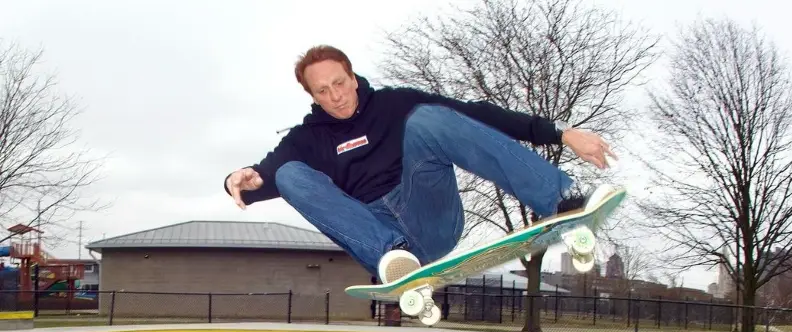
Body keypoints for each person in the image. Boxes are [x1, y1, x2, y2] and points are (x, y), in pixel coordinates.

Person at [224, 45, 616, 285]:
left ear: (353, 77)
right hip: (378, 232)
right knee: (289, 172)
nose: (336, 96)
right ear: (312, 95)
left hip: (428, 208)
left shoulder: (396, 103)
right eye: (323, 91)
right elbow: (262, 179)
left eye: (339, 83)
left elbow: (475, 116)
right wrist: (236, 178)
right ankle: (394, 258)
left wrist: (561, 133)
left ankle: (561, 201)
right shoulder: (305, 138)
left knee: (429, 118)